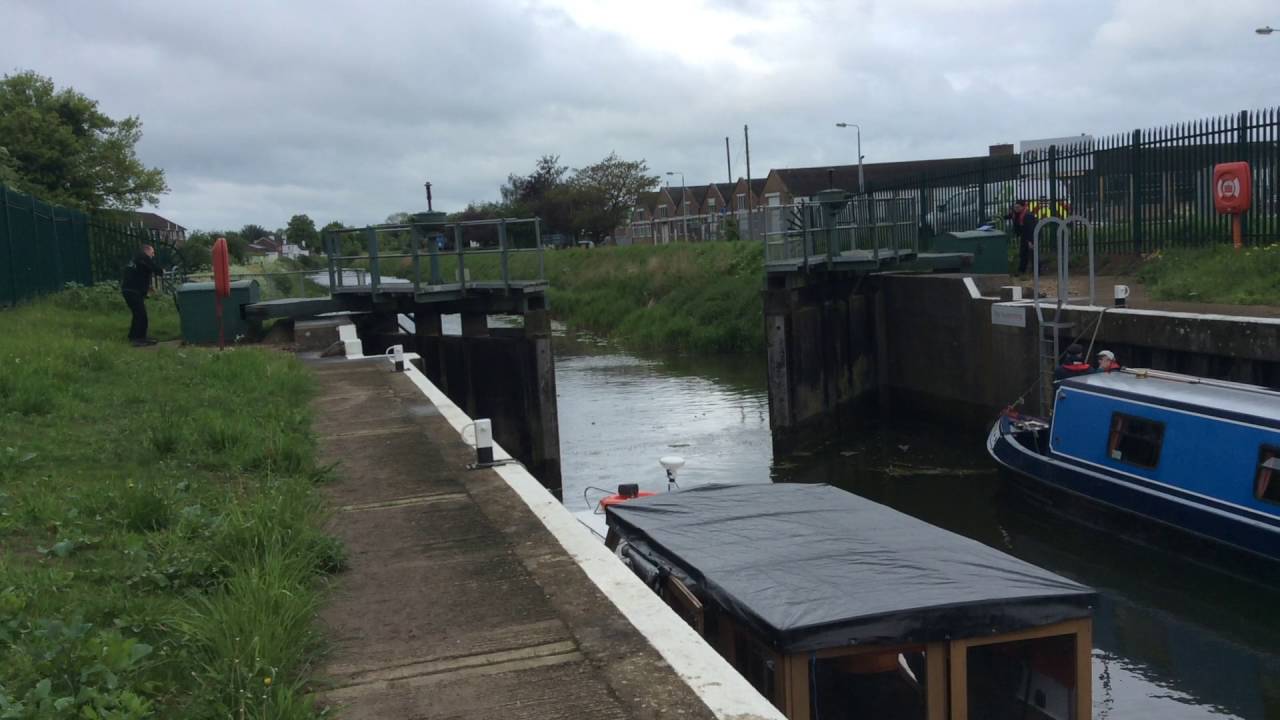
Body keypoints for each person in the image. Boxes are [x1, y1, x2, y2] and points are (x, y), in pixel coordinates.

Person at [121, 244, 163, 347]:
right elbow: (155, 269)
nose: (153, 255)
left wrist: (147, 287)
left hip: (129, 290)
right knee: (141, 315)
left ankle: (134, 336)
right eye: (152, 253)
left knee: (138, 314)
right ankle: (138, 339)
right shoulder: (143, 257)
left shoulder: (137, 259)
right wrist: (161, 271)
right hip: (132, 291)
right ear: (147, 251)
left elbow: (138, 274)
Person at [1005, 200, 1039, 276]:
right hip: (1024, 235)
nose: (1016, 209)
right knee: (1023, 253)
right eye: (1015, 207)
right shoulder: (1017, 213)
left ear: (1023, 207)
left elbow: (1030, 229)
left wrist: (1030, 241)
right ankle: (1022, 270)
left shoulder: (1027, 215)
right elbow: (1010, 216)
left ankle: (1037, 270)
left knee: (1032, 253)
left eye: (1018, 207)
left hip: (1031, 235)